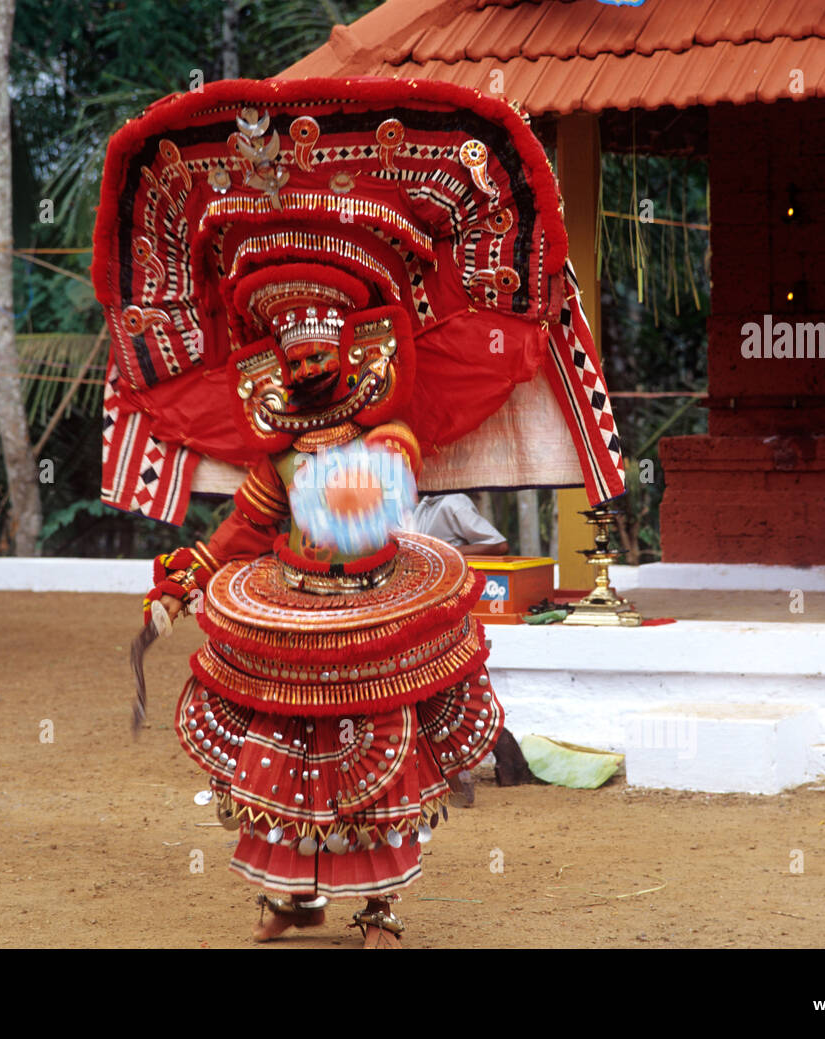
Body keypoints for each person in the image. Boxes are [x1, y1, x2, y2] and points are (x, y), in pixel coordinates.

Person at [91, 77, 626, 947]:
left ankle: (380, 904)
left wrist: (332, 478)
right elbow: (246, 527)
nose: (303, 364)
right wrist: (190, 576)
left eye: (317, 349)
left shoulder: (390, 438)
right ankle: (292, 897)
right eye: (289, 351)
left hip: (371, 616)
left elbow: (362, 510)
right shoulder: (287, 445)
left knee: (377, 762)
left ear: (354, 348)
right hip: (291, 615)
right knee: (284, 761)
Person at [410, 493, 508, 557]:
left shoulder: (454, 502)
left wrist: (445, 552)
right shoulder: (423, 504)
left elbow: (499, 545)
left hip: (453, 577)